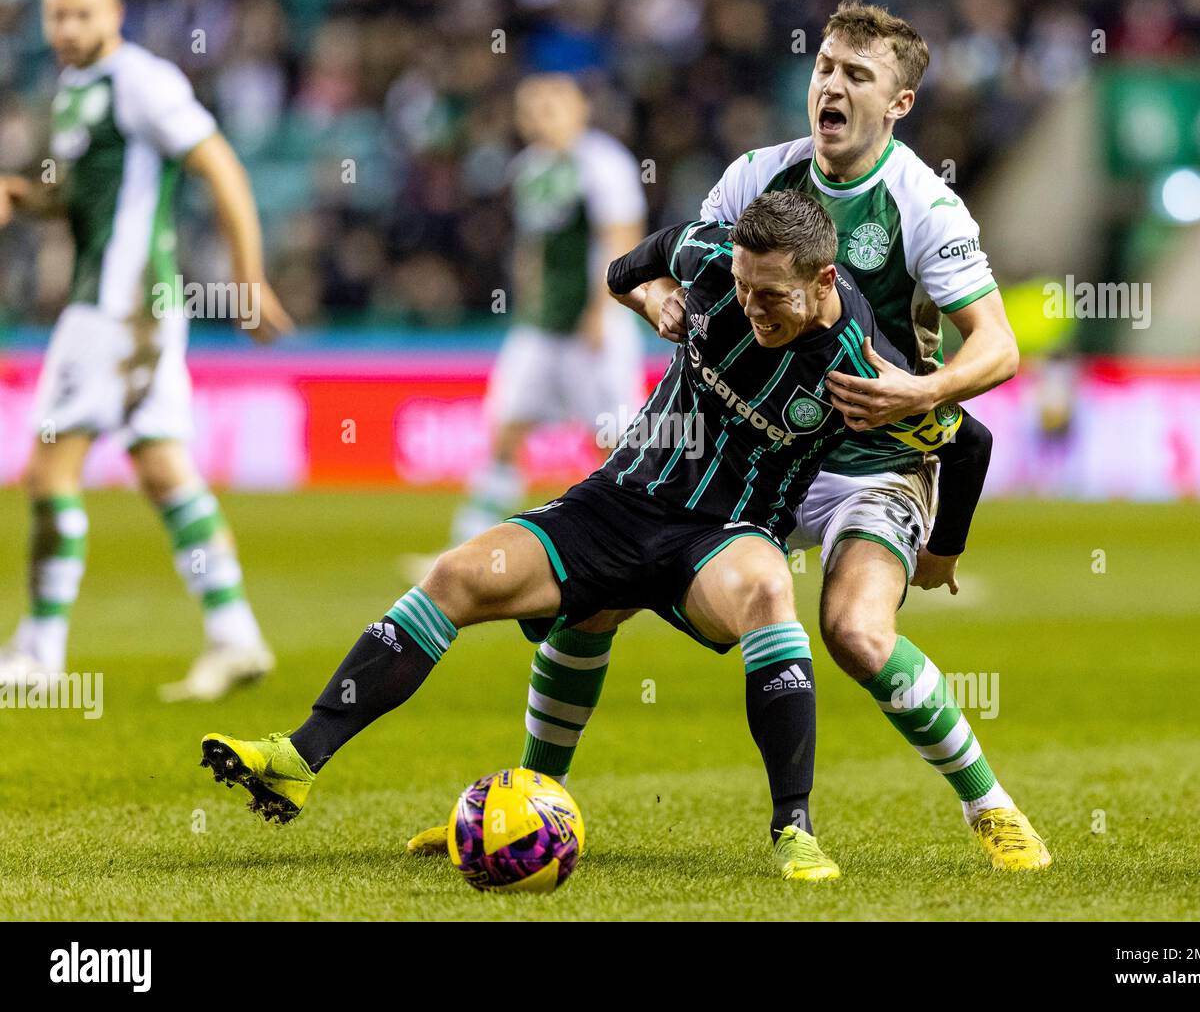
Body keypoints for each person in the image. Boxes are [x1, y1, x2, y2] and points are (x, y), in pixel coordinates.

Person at [414, 0, 1049, 871]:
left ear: (899, 104)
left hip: (872, 459)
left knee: (857, 634)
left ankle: (992, 806)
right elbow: (666, 268)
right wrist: (651, 298)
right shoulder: (758, 174)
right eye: (826, 66)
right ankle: (525, 805)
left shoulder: (924, 205)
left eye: (857, 75)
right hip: (757, 459)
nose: (831, 84)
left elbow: (1000, 348)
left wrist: (920, 390)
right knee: (594, 591)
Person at [200, 191, 957, 882]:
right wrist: (654, 295)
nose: (750, 303)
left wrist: (940, 546)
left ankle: (794, 827)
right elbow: (630, 264)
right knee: (460, 572)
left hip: (725, 534)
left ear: (825, 281)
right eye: (742, 283)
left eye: (771, 294)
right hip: (619, 499)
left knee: (768, 589)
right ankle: (299, 756)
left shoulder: (863, 362)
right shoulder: (711, 255)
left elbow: (967, 439)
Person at [0, 0, 294, 701]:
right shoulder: (73, 89)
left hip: (118, 308)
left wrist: (248, 277)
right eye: (56, 15)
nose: (67, 28)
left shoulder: (142, 82)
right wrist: (23, 198)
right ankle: (234, 634)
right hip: (136, 312)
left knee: (47, 472)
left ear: (116, 14)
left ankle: (38, 654)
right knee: (164, 470)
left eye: (83, 14)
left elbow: (220, 165)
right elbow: (76, 198)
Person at [401, 73, 647, 580]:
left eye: (553, 105)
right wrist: (530, 303)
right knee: (507, 430)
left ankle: (641, 547)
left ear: (580, 108)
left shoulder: (604, 163)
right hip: (541, 327)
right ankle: (465, 553)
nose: (541, 116)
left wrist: (604, 312)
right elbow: (533, 249)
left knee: (614, 441)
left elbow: (622, 239)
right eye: (531, 107)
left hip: (592, 328)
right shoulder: (531, 168)